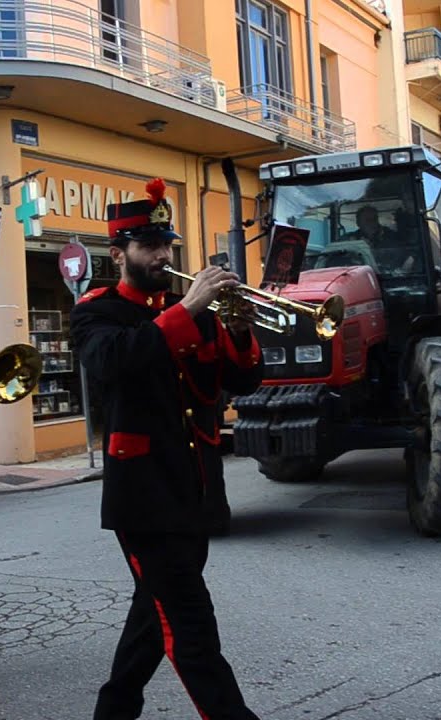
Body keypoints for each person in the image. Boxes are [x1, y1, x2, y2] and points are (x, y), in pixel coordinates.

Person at [71, 178, 265, 720]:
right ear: (118, 254)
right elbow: (114, 362)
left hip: (197, 488)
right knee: (191, 626)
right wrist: (192, 308)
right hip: (143, 497)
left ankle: (113, 711)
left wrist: (239, 331)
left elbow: (242, 383)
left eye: (166, 245)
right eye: (149, 246)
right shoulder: (97, 312)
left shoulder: (190, 308)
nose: (162, 255)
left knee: (152, 618)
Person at [349, 205, 414, 273]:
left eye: (374, 219)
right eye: (368, 220)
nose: (372, 223)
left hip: (388, 275)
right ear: (358, 223)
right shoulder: (351, 239)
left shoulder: (392, 236)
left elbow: (406, 257)